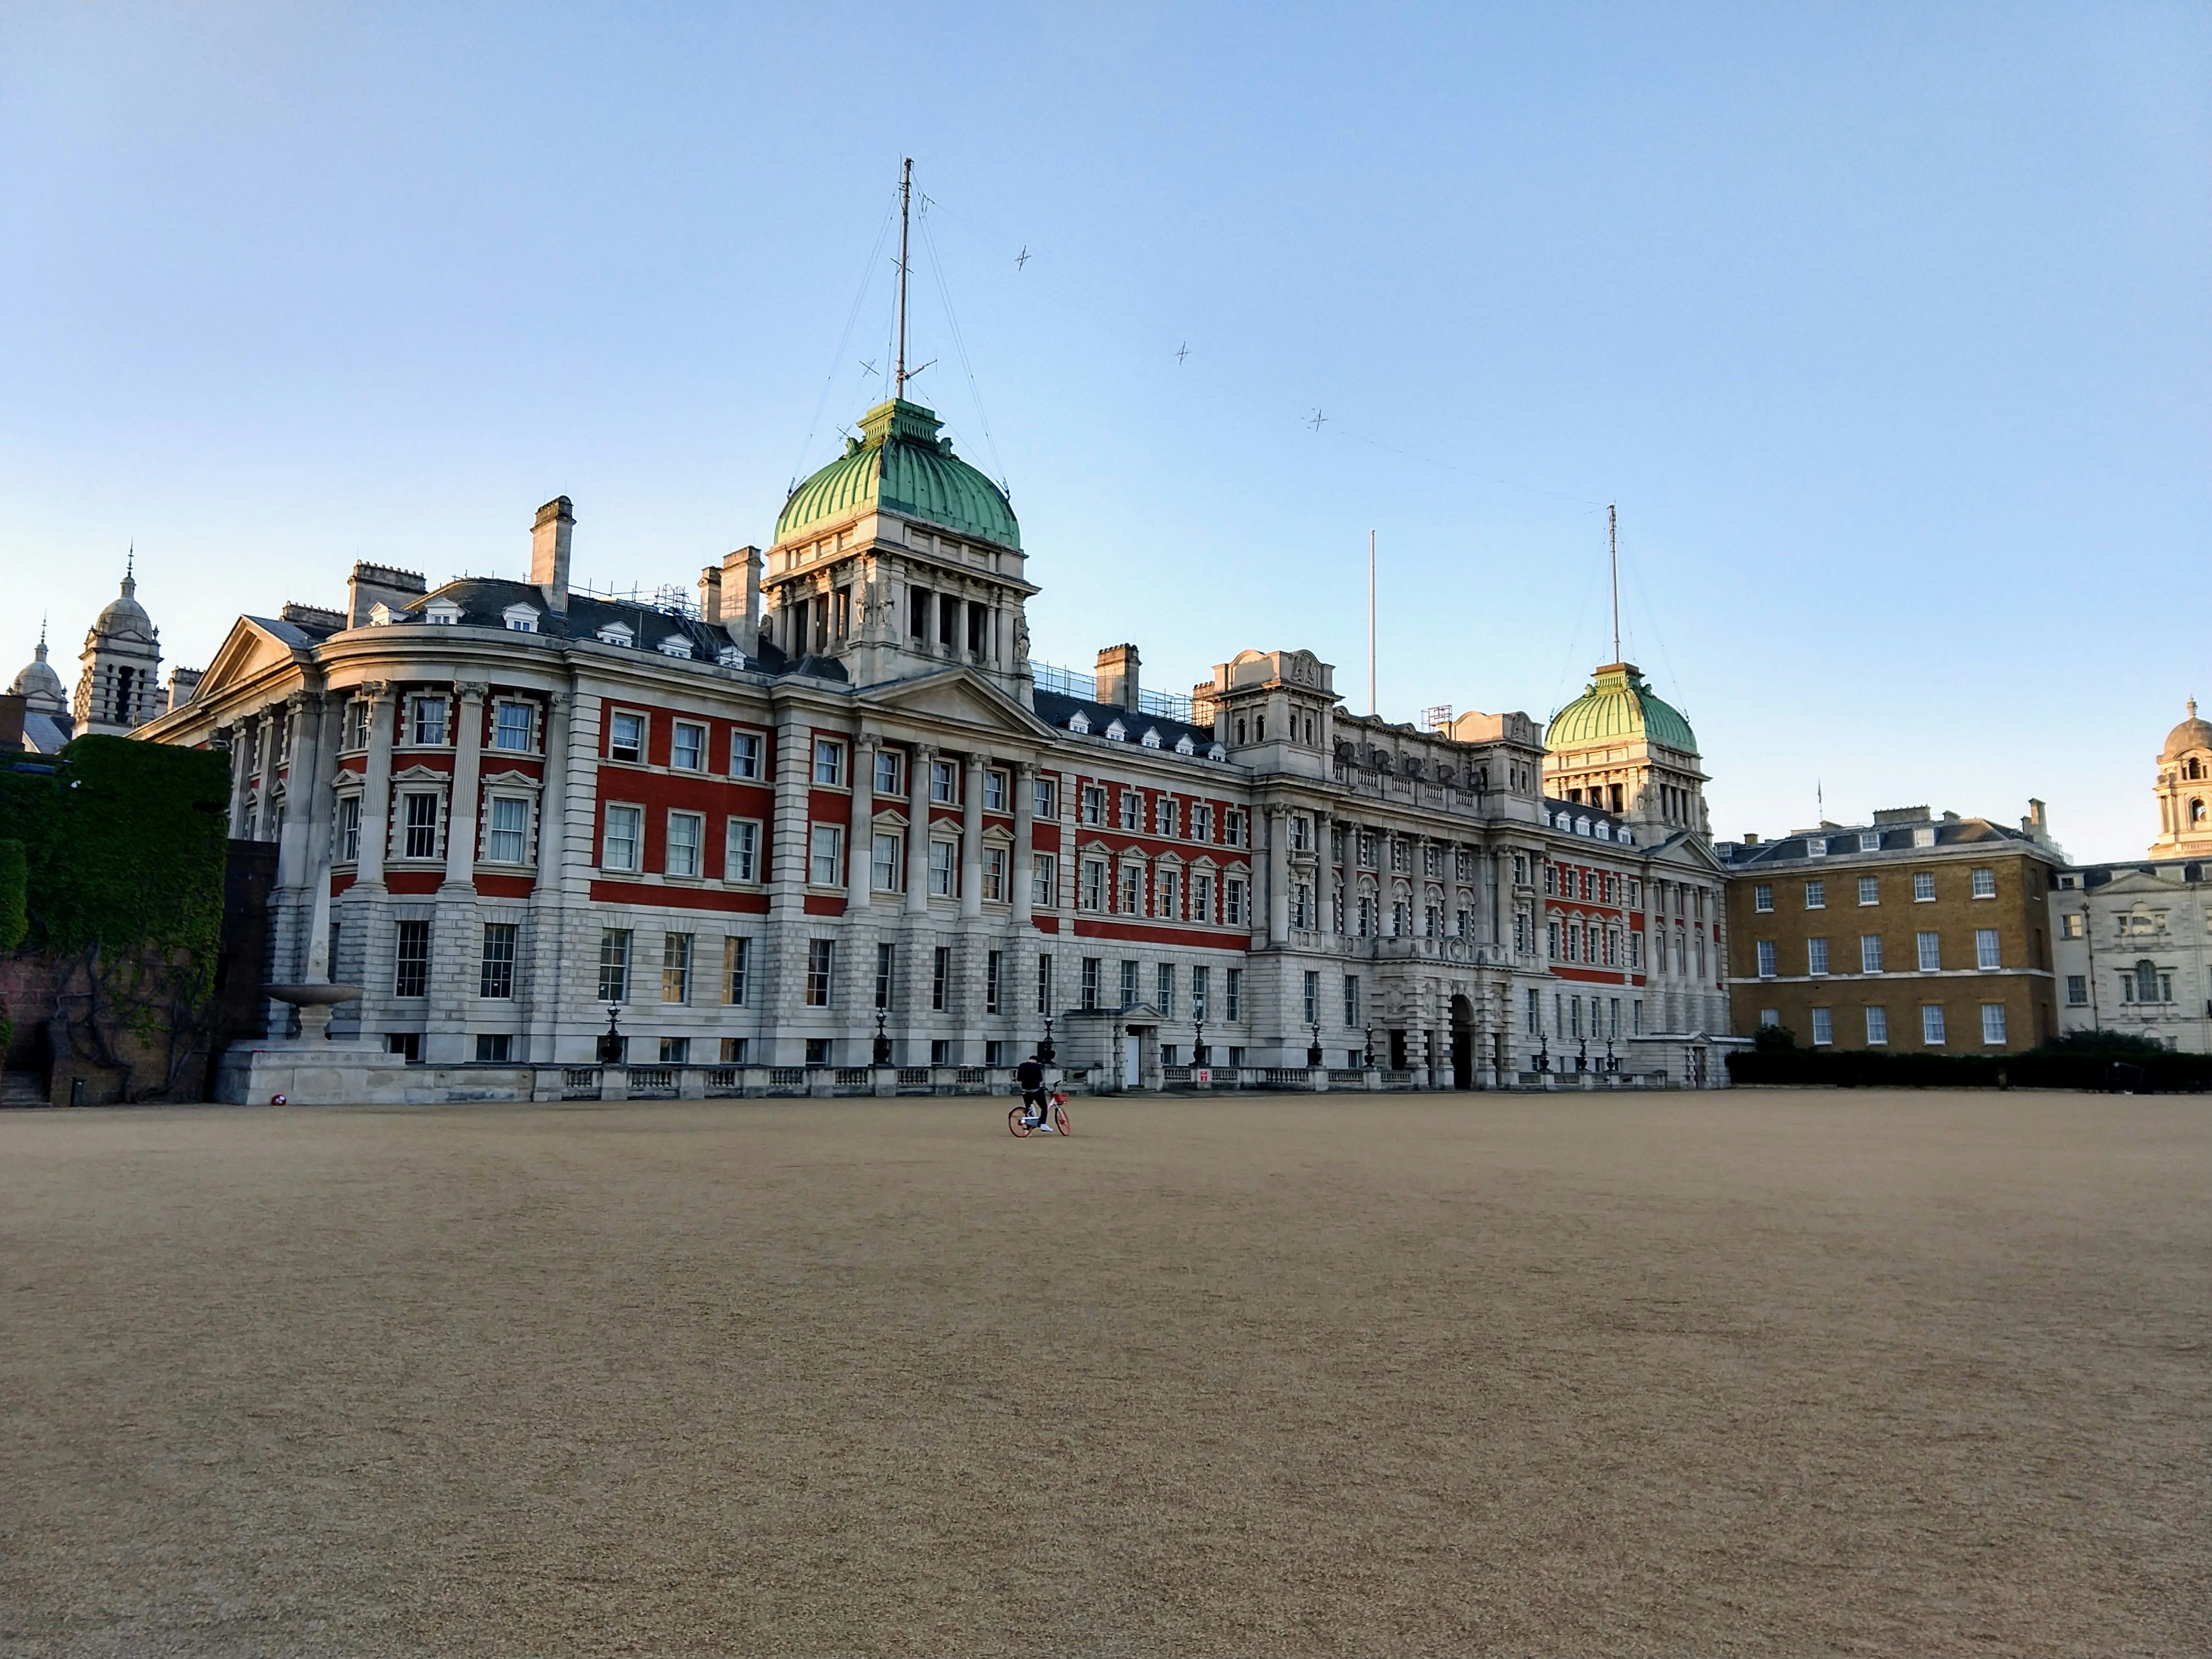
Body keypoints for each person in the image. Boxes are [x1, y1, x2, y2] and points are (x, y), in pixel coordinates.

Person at [1016, 1054, 1052, 1130]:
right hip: (1035, 1089)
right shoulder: (1037, 1067)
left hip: (1025, 1089)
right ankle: (1043, 1124)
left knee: (1028, 1107)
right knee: (1044, 1107)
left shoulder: (1022, 1065)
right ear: (1036, 1061)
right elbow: (1040, 1079)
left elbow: (1019, 1078)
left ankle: (1029, 1125)